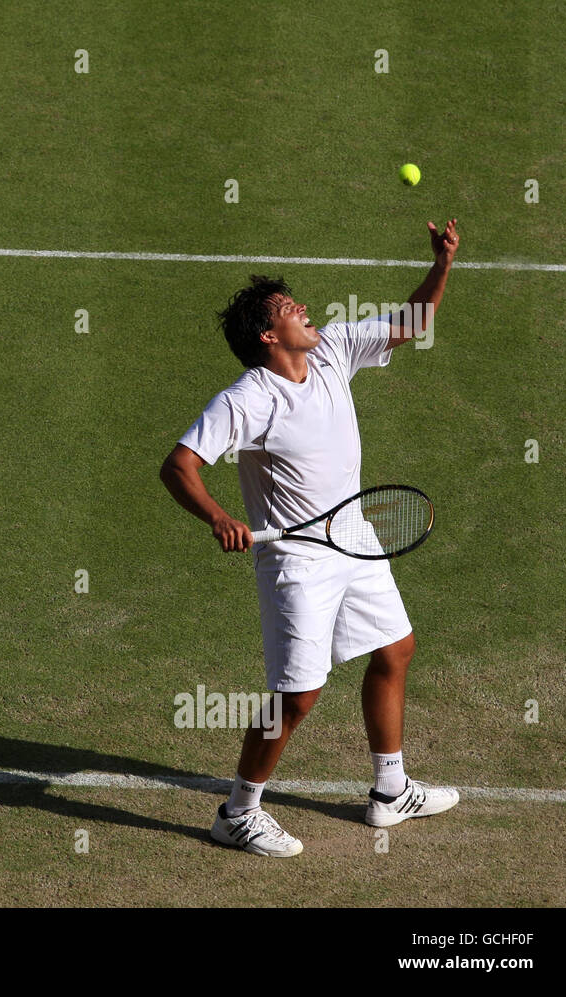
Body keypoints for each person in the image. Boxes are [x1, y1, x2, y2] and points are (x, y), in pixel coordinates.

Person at [159, 220, 462, 856]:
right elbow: (179, 465)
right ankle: (237, 812)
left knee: (395, 649)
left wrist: (441, 263)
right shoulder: (248, 400)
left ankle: (389, 790)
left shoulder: (332, 350)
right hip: (296, 560)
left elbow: (412, 323)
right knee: (298, 694)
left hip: (354, 535)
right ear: (270, 337)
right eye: (289, 309)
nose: (304, 310)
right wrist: (218, 516)